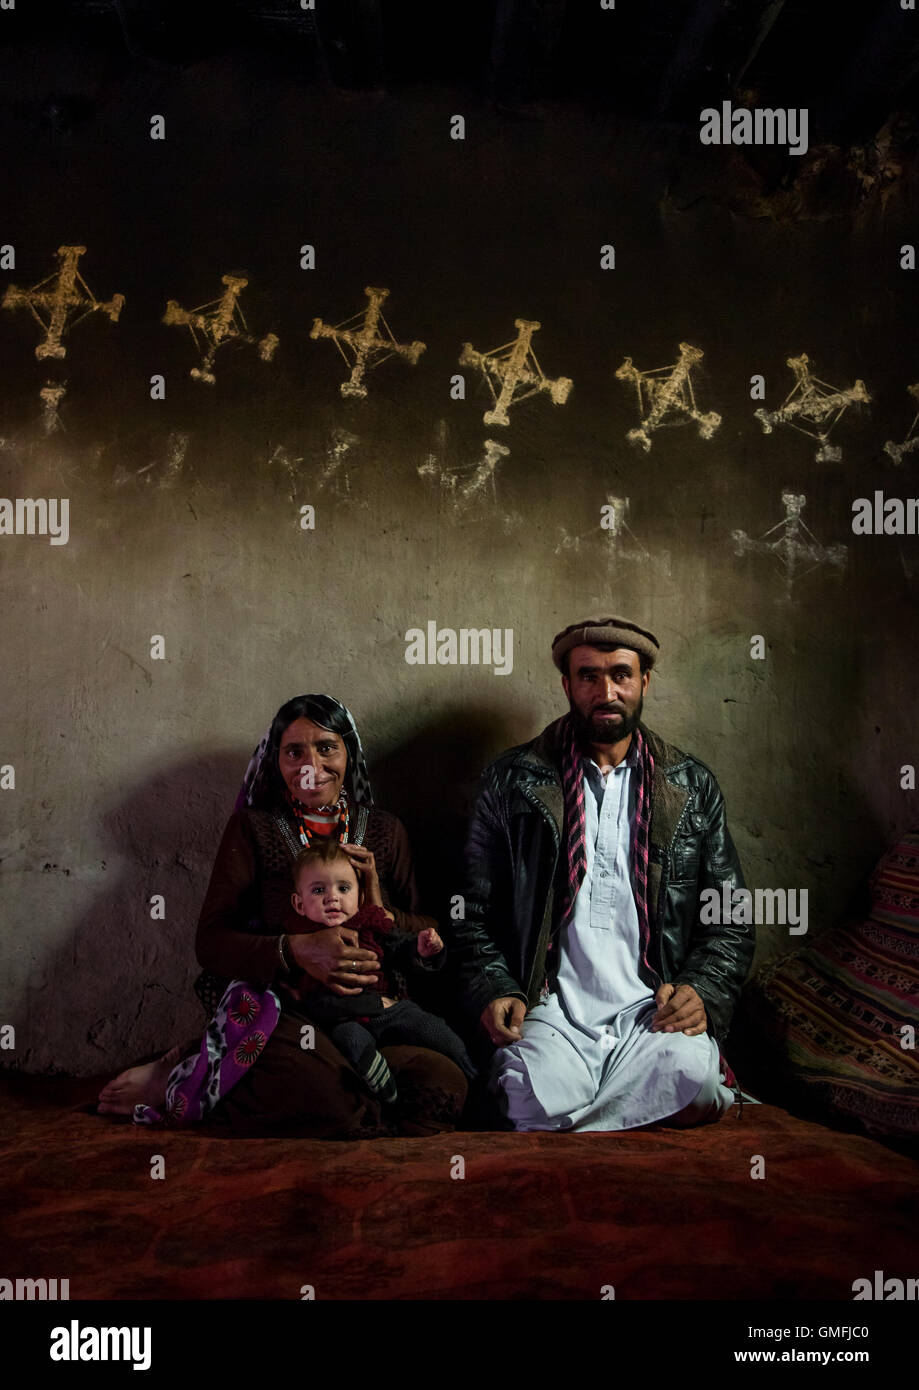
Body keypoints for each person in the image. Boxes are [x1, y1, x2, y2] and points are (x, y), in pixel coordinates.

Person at [97, 694, 468, 1137]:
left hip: (373, 1016)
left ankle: (314, 1085)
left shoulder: (385, 831)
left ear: (350, 752)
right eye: (295, 751)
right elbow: (211, 942)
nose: (311, 764)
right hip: (287, 1014)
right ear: (277, 760)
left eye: (327, 747)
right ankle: (185, 1076)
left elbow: (426, 926)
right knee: (330, 1101)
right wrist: (297, 949)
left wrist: (381, 909)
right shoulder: (255, 829)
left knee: (444, 1087)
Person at [451, 615, 755, 1132]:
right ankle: (635, 1107)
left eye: (621, 675)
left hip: (650, 1011)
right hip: (550, 1008)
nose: (606, 691)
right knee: (526, 1092)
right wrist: (494, 989)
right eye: (589, 676)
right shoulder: (511, 780)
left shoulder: (691, 786)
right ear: (567, 685)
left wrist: (702, 988)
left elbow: (731, 918)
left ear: (644, 682)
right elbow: (468, 914)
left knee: (692, 1084)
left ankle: (577, 1115)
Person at [286, 841, 477, 1101]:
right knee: (351, 1042)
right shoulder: (303, 939)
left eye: (343, 888)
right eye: (319, 890)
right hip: (343, 1019)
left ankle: (476, 1079)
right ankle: (385, 1091)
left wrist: (421, 948)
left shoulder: (368, 924)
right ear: (299, 904)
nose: (332, 897)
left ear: (360, 896)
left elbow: (397, 946)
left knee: (436, 1031)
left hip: (389, 1009)